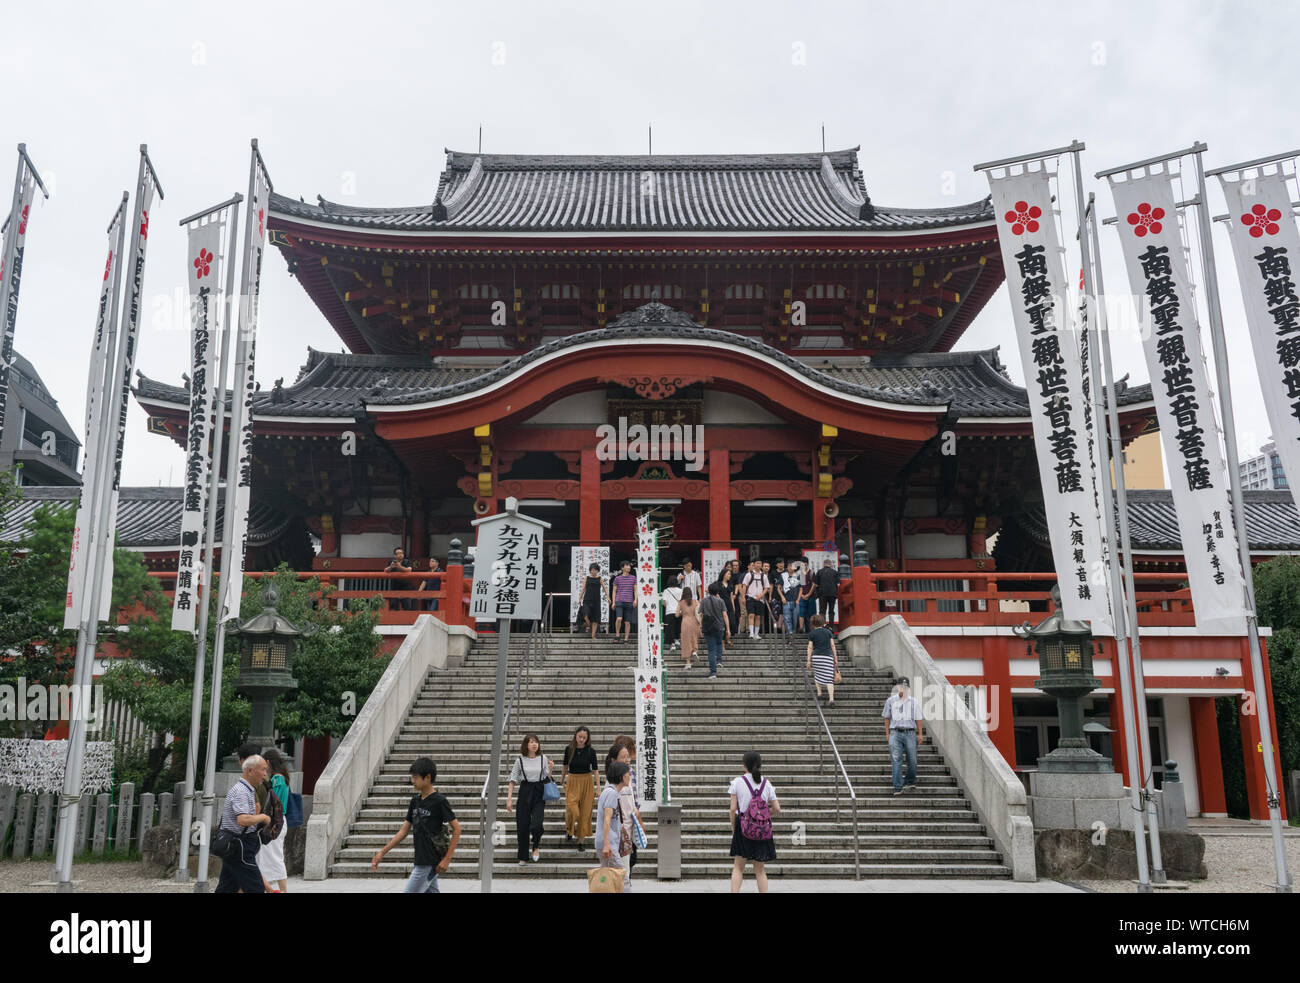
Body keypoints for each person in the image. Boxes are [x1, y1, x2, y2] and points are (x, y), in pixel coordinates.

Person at [370, 757, 460, 892]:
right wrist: (382, 852)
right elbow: (403, 831)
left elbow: (457, 829)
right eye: (412, 777)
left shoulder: (439, 801)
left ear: (428, 777)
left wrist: (447, 859)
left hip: (428, 862)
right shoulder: (415, 801)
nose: (413, 781)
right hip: (421, 859)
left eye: (416, 777)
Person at [214, 755, 271, 894]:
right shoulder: (241, 792)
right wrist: (263, 817)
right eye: (263, 770)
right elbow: (243, 820)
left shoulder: (247, 790)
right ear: (249, 771)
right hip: (240, 847)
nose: (265, 774)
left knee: (227, 887)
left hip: (236, 846)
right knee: (256, 887)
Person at [728, 750, 780, 893]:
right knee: (760, 870)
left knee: (738, 867)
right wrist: (762, 815)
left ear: (744, 765)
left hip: (742, 826)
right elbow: (777, 808)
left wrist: (734, 827)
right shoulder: (766, 783)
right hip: (761, 828)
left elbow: (732, 809)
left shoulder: (737, 782)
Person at [506, 734, 553, 863]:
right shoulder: (519, 760)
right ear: (526, 744)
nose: (534, 744)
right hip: (525, 791)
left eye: (536, 741)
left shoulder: (543, 758)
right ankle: (523, 856)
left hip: (539, 791)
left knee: (537, 824)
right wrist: (509, 799)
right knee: (522, 825)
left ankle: (536, 845)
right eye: (531, 742)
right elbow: (512, 779)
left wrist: (551, 769)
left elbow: (546, 777)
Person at [883, 677, 925, 795]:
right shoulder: (890, 701)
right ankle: (897, 786)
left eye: (905, 687)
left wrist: (920, 734)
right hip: (895, 732)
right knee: (896, 759)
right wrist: (887, 733)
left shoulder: (914, 702)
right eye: (901, 686)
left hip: (910, 732)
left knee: (912, 759)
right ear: (897, 687)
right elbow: (886, 717)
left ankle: (910, 781)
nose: (903, 688)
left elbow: (918, 718)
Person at [258, 748, 292, 893]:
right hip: (280, 820)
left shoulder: (276, 779)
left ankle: (281, 890)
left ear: (267, 762)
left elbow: (272, 801)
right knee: (273, 856)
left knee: (274, 856)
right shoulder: (283, 778)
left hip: (274, 820)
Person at [596, 760, 633, 892]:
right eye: (628, 773)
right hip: (608, 843)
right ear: (622, 776)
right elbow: (607, 818)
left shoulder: (609, 792)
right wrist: (607, 844)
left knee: (609, 879)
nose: (630, 776)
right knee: (623, 878)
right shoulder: (611, 793)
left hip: (607, 842)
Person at [561, 726, 598, 851]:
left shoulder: (590, 751)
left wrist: (598, 787)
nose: (581, 739)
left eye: (584, 738)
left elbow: (596, 770)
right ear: (575, 736)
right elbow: (565, 766)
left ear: (587, 739)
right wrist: (562, 780)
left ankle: (581, 841)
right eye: (579, 737)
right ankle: (569, 828)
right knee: (573, 810)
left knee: (585, 812)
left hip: (587, 781)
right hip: (572, 780)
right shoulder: (569, 749)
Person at [805, 614, 839, 705]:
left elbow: (810, 647)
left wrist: (808, 660)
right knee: (829, 678)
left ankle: (819, 693)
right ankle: (831, 699)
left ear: (812, 624)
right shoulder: (828, 632)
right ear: (822, 622)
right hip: (827, 656)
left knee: (817, 675)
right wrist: (835, 658)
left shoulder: (812, 634)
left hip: (816, 657)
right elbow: (832, 645)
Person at [700, 583, 730, 679]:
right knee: (719, 644)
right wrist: (728, 629)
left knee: (711, 650)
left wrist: (700, 627)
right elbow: (725, 615)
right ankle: (719, 661)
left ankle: (713, 672)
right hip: (719, 626)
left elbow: (701, 615)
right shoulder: (721, 601)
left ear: (708, 590)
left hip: (708, 627)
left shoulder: (704, 601)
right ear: (717, 591)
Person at [609, 560, 637, 642]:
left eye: (629, 565)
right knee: (619, 619)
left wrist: (635, 600)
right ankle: (617, 635)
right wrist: (613, 602)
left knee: (627, 622)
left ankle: (626, 638)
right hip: (619, 600)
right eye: (627, 565)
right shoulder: (617, 578)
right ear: (622, 568)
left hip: (629, 601)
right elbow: (614, 591)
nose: (629, 567)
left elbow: (635, 590)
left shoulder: (633, 578)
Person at [578, 562, 605, 639]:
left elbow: (605, 588)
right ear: (590, 571)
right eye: (592, 570)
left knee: (595, 618)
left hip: (596, 600)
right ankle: (588, 624)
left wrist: (608, 597)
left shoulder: (600, 579)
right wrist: (580, 598)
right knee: (585, 614)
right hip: (587, 600)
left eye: (595, 570)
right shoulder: (587, 578)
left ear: (598, 571)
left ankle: (593, 635)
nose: (593, 571)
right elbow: (583, 588)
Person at [742, 560, 767, 639]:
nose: (758, 565)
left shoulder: (764, 576)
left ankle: (756, 634)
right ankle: (751, 633)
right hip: (750, 597)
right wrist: (743, 597)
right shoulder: (748, 575)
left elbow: (766, 588)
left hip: (760, 599)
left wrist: (761, 595)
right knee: (751, 615)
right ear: (754, 564)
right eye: (757, 563)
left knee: (758, 616)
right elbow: (744, 586)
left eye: (760, 563)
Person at [384, 546, 414, 612]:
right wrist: (391, 567)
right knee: (394, 606)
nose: (400, 555)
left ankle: (407, 621)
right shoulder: (391, 562)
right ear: (395, 555)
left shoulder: (407, 561)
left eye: (401, 553)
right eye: (398, 553)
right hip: (394, 586)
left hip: (406, 587)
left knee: (407, 606)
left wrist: (399, 566)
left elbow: (409, 570)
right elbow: (385, 570)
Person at [677, 586, 700, 669]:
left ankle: (688, 662)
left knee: (686, 641)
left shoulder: (681, 602)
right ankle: (694, 651)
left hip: (685, 622)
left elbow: (676, 615)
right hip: (694, 622)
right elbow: (699, 611)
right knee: (694, 638)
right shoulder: (695, 601)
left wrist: (681, 613)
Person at [814, 557, 840, 623]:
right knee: (831, 611)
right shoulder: (835, 572)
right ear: (830, 565)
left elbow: (816, 584)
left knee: (822, 611)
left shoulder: (819, 572)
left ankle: (823, 625)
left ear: (823, 564)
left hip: (822, 594)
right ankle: (831, 626)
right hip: (832, 594)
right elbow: (838, 584)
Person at [780, 559, 801, 636]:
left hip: (795, 601)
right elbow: (779, 588)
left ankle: (793, 632)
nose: (790, 567)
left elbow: (801, 589)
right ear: (787, 567)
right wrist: (782, 597)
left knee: (795, 619)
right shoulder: (783, 576)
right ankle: (790, 634)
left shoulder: (798, 576)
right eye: (789, 566)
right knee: (787, 618)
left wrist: (798, 599)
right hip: (786, 600)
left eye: (792, 566)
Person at [662, 583, 682, 649]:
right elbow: (682, 601)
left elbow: (663, 602)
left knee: (670, 627)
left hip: (669, 611)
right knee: (677, 626)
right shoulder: (680, 590)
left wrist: (667, 606)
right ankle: (677, 640)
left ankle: (672, 643)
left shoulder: (666, 591)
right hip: (678, 611)